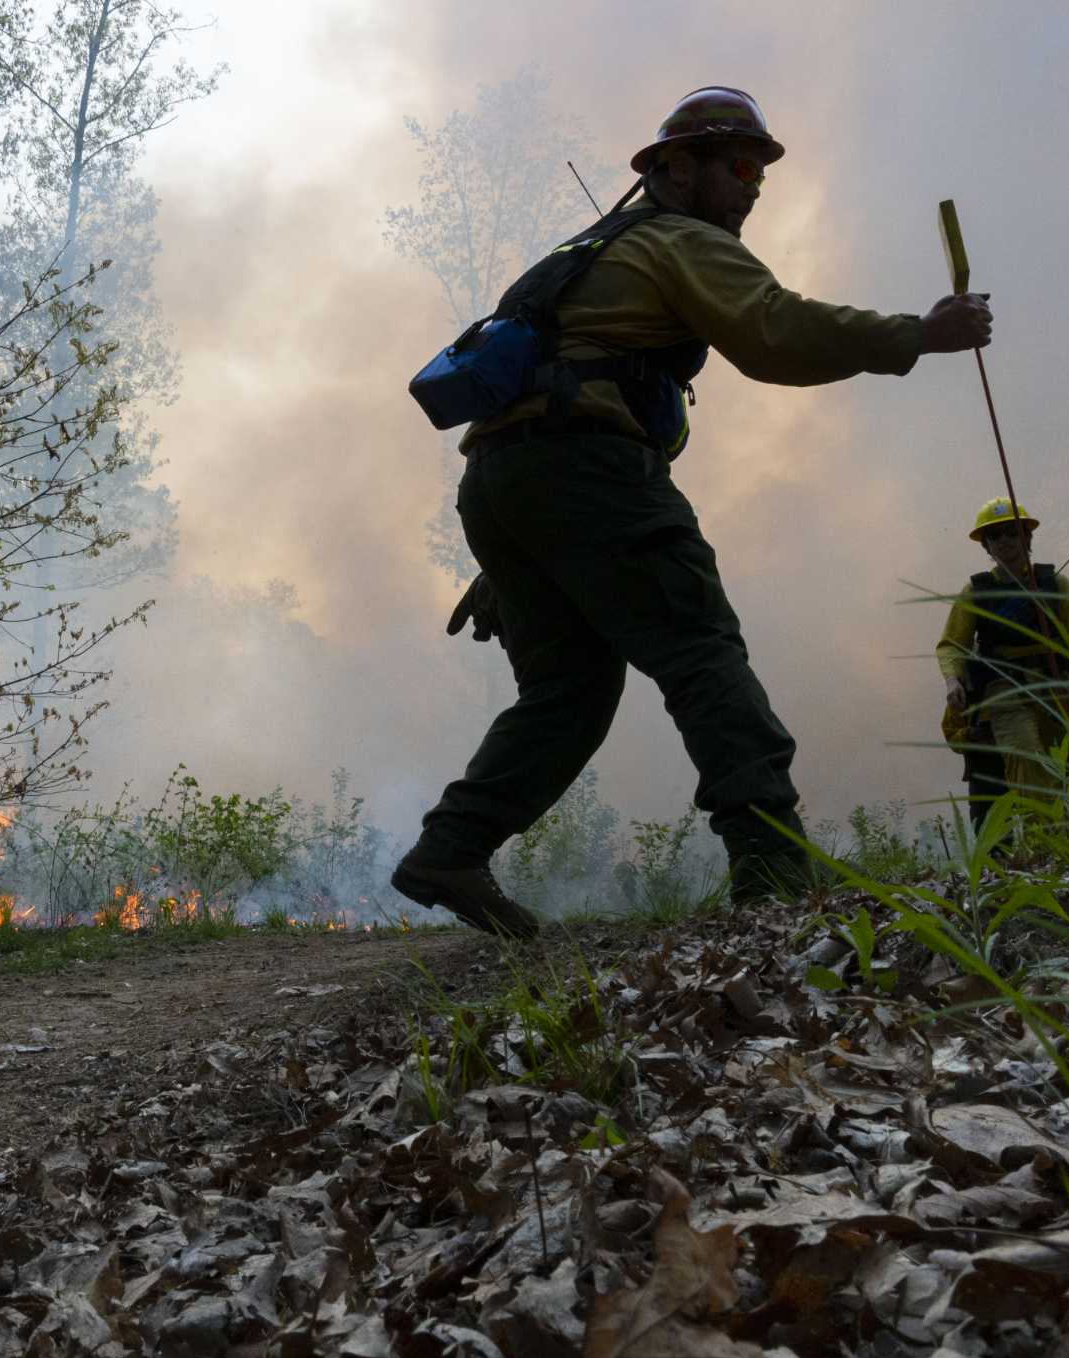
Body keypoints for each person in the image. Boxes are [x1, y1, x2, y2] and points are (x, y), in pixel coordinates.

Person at [390, 87, 997, 937]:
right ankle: (774, 869)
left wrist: (515, 561)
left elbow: (526, 397)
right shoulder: (680, 240)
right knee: (702, 653)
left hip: (506, 486)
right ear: (674, 169)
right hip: (593, 473)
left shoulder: (581, 256)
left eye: (760, 171)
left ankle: (450, 848)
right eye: (739, 164)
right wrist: (917, 335)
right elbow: (773, 330)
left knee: (568, 690)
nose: (753, 187)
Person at [936, 497, 1069, 813]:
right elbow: (952, 645)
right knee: (1025, 755)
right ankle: (1046, 841)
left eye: (1012, 532)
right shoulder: (976, 592)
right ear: (986, 545)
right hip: (1005, 692)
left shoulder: (1054, 584)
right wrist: (952, 680)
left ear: (1026, 537)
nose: (1004, 541)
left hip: (1058, 684)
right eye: (995, 536)